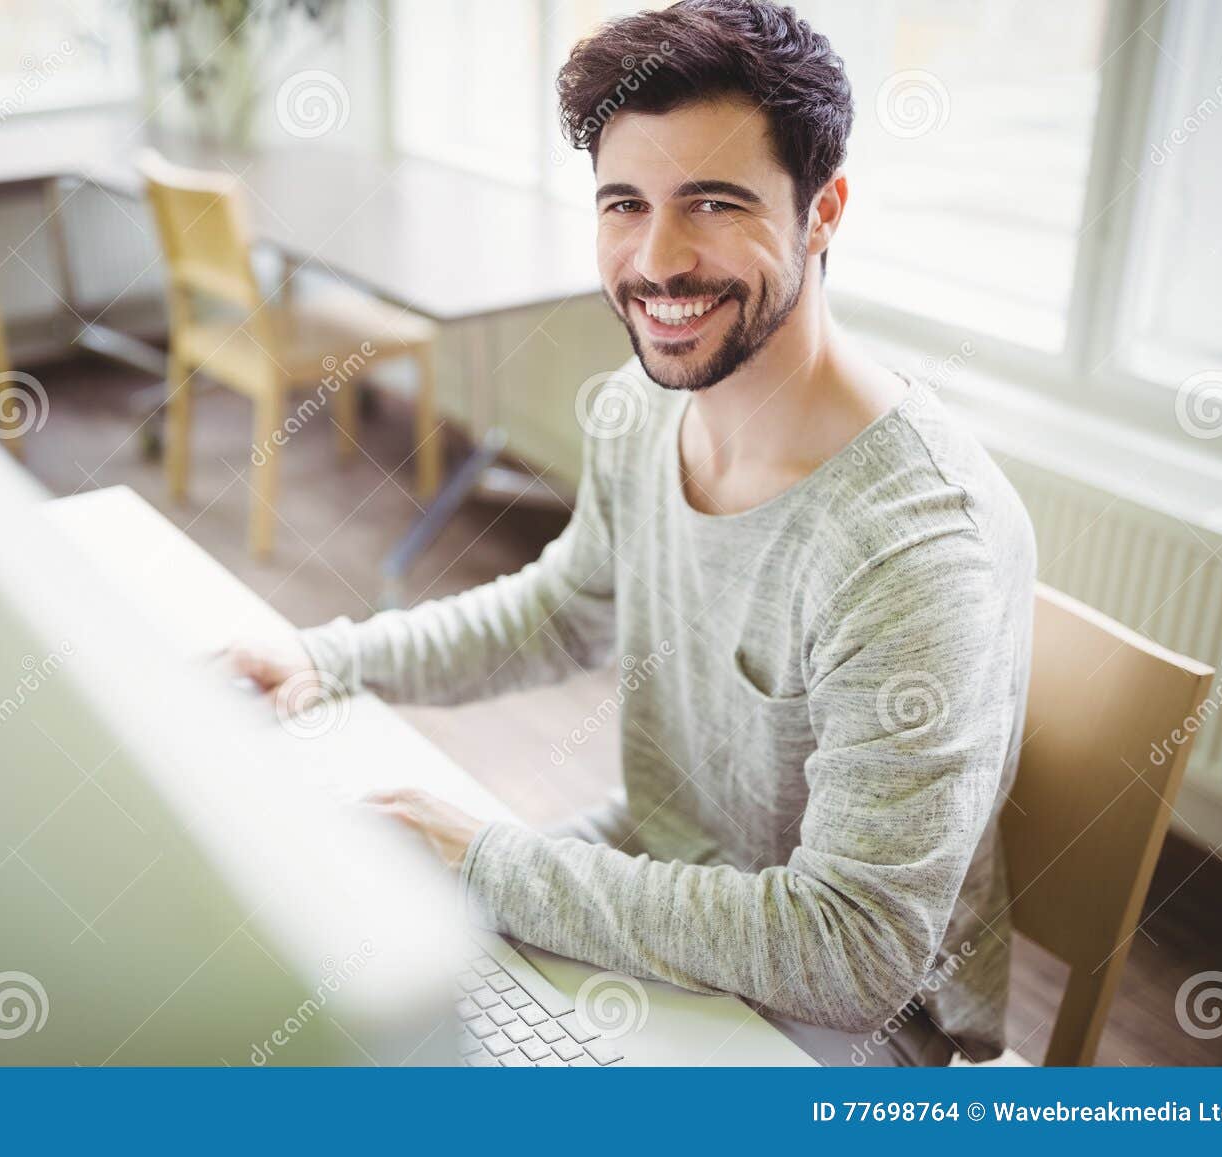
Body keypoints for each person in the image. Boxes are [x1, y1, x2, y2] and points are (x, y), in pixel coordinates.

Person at [231, 0, 1035, 1067]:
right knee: (361, 990)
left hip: (859, 1029)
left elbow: (856, 949)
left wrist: (485, 860)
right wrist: (329, 656)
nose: (657, 262)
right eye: (624, 203)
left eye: (712, 203)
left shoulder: (915, 547)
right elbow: (567, 606)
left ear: (823, 210)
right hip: (674, 866)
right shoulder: (639, 403)